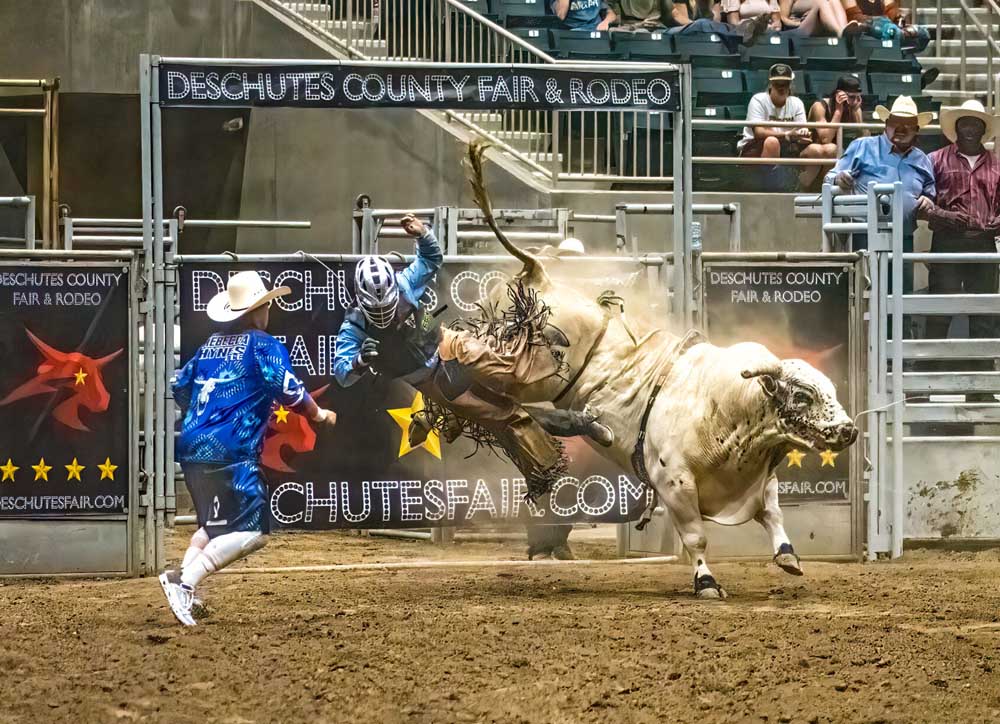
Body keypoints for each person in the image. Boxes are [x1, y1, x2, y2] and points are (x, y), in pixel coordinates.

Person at [333, 215, 613, 503]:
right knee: (505, 413)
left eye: (388, 303)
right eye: (375, 307)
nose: (383, 312)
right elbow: (342, 375)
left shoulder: (405, 283)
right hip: (435, 382)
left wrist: (422, 234)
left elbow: (431, 259)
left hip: (450, 343)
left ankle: (549, 351)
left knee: (508, 365)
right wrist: (359, 362)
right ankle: (558, 449)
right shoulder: (353, 328)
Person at [160, 271, 338, 626]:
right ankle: (184, 582)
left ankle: (182, 580)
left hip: (192, 443)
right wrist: (319, 415)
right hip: (232, 449)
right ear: (260, 309)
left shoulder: (209, 344)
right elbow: (289, 388)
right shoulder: (262, 345)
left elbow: (180, 387)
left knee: (214, 527)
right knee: (254, 532)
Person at [916, 100, 1000, 400]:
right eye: (965, 123)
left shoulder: (997, 165)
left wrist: (997, 222)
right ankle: (927, 384)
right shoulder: (935, 159)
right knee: (940, 311)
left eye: (976, 124)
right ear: (956, 128)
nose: (969, 129)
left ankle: (980, 388)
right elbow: (921, 201)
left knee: (985, 316)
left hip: (984, 243)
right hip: (948, 241)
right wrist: (944, 216)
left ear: (982, 129)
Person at [824, 95, 935, 293]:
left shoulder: (922, 160)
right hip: (863, 235)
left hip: (903, 238)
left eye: (908, 124)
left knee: (901, 297)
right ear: (886, 123)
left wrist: (928, 199)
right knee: (863, 294)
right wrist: (839, 179)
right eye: (895, 122)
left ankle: (901, 325)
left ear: (916, 130)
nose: (901, 128)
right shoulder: (863, 146)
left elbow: (930, 192)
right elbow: (830, 177)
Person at [738, 64, 815, 191]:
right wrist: (787, 135)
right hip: (756, 148)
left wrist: (804, 135)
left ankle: (802, 190)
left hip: (788, 146)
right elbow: (759, 132)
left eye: (784, 83)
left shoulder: (796, 103)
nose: (781, 87)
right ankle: (772, 192)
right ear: (770, 83)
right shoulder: (758, 100)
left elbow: (802, 131)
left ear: (790, 84)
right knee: (772, 142)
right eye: (777, 83)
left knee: (816, 150)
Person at [800, 75, 865, 189]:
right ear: (838, 94)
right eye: (851, 97)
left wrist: (855, 113)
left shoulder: (855, 109)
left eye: (857, 98)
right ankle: (803, 187)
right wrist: (838, 111)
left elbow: (863, 139)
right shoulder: (820, 106)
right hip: (813, 155)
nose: (854, 101)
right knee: (828, 148)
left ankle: (825, 187)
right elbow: (825, 139)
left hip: (838, 159)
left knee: (834, 151)